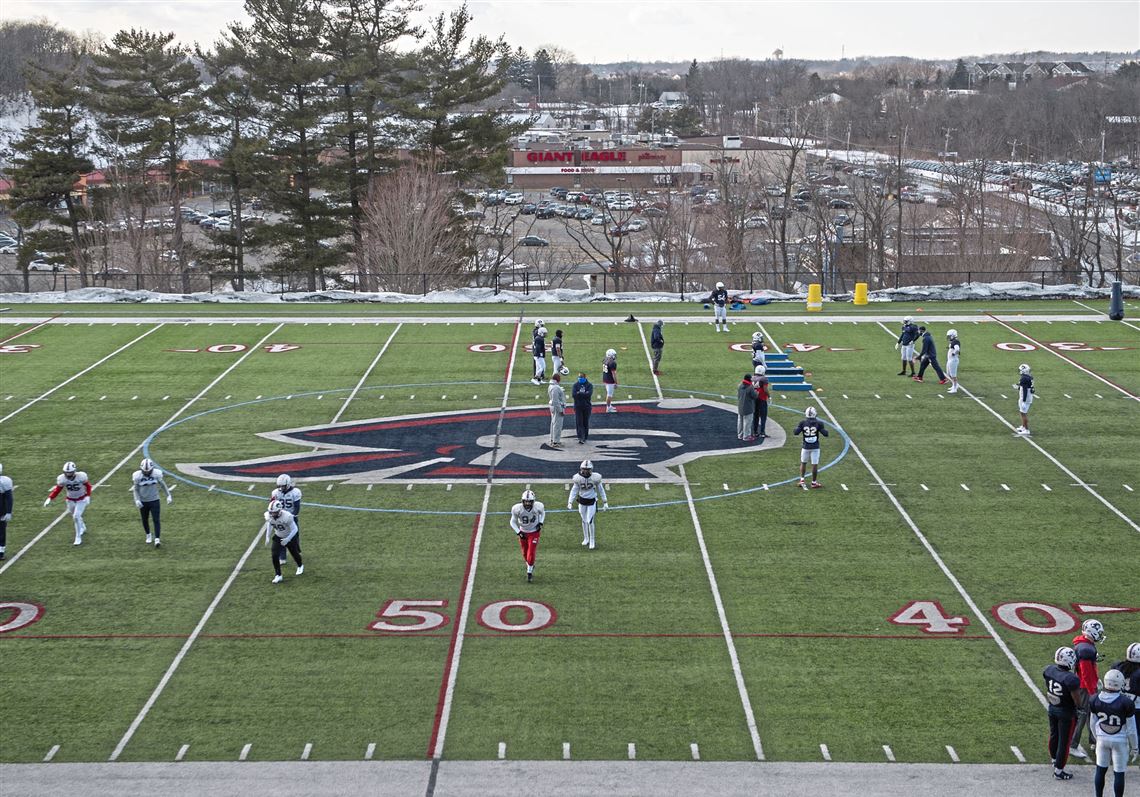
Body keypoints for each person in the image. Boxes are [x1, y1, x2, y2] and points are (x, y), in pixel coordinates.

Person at [1088, 670, 1136, 797]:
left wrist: (1098, 737)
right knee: (1119, 773)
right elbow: (1131, 729)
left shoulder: (1094, 699)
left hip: (1102, 740)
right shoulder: (1126, 702)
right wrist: (1135, 747)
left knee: (1100, 770)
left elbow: (1092, 724)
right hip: (1120, 740)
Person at [1043, 646, 1084, 781]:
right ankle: (1059, 771)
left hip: (1053, 707)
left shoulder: (1049, 670)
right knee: (1064, 742)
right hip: (1066, 712)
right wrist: (1080, 707)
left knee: (1054, 735)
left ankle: (1054, 760)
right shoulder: (1071, 678)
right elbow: (1076, 698)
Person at [1071, 618, 1107, 759]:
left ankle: (1093, 740)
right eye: (1099, 632)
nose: (1101, 635)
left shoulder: (1084, 644)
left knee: (1092, 714)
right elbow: (1085, 673)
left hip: (1084, 685)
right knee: (1082, 715)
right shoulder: (1086, 649)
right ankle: (1072, 745)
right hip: (1084, 687)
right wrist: (1092, 690)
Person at [44, 461, 92, 546]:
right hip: (70, 499)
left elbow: (88, 486)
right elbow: (57, 490)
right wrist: (50, 498)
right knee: (75, 516)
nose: (68, 474)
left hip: (81, 499)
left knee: (76, 516)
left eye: (70, 472)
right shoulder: (62, 478)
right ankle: (82, 527)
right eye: (66, 472)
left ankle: (78, 537)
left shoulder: (81, 476)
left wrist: (88, 496)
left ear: (74, 471)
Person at [131, 458, 173, 547]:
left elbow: (163, 485)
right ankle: (148, 534)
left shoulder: (156, 474)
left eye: (148, 471)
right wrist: (137, 500)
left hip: (154, 500)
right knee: (144, 519)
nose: (146, 473)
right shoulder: (137, 476)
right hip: (143, 501)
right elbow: (135, 489)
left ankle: (157, 539)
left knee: (156, 519)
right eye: (144, 471)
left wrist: (168, 495)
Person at [1109, 642, 1140, 765]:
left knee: (1121, 728)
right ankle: (1135, 749)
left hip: (1119, 702)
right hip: (1136, 705)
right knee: (1136, 729)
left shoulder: (1118, 666)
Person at [568, 459, 607, 550]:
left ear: (591, 469)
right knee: (584, 520)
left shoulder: (595, 478)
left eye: (587, 469)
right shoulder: (578, 478)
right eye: (584, 469)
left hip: (591, 501)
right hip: (582, 501)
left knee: (590, 520)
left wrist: (605, 501)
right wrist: (570, 502)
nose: (585, 471)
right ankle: (586, 538)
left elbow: (601, 490)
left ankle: (592, 540)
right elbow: (574, 490)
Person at [263, 499, 303, 584]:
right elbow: (270, 523)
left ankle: (300, 565)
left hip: (289, 536)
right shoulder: (269, 515)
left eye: (274, 512)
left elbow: (295, 529)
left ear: (279, 511)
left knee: (294, 553)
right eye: (271, 512)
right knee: (274, 555)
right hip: (278, 536)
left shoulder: (287, 516)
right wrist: (267, 536)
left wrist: (288, 539)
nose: (272, 514)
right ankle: (278, 575)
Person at [510, 489, 545, 582]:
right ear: (522, 501)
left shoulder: (538, 506)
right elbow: (512, 522)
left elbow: (543, 513)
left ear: (533, 501)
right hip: (523, 532)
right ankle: (530, 565)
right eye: (526, 501)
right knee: (525, 553)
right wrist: (519, 532)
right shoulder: (517, 508)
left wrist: (541, 522)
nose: (527, 503)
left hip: (534, 532)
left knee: (531, 552)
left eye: (529, 502)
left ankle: (529, 572)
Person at [793, 406, 829, 489]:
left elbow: (796, 432)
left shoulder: (803, 423)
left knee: (803, 462)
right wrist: (822, 429)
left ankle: (802, 480)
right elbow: (825, 434)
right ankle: (813, 482)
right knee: (814, 464)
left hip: (805, 446)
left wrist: (798, 428)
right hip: (815, 447)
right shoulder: (819, 423)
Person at [271, 474, 302, 566]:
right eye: (279, 486)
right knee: (281, 537)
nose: (281, 488)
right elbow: (272, 504)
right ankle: (282, 557)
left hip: (291, 517)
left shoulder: (295, 492)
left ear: (288, 484)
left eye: (283, 486)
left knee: (294, 536)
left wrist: (293, 516)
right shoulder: (275, 493)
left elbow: (297, 506)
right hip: (280, 517)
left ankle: (297, 551)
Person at [1014, 363, 1035, 436]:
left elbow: (1025, 390)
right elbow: (1027, 388)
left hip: (1025, 398)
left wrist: (1023, 401)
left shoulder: (1024, 378)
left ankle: (1026, 429)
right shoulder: (1029, 377)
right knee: (1022, 412)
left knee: (1023, 414)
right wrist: (1018, 387)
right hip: (1027, 397)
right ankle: (1023, 427)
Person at [572, 372, 593, 444]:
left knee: (585, 422)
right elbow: (574, 395)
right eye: (579, 377)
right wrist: (584, 394)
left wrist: (579, 393)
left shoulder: (589, 385)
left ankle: (585, 436)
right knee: (579, 422)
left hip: (587, 407)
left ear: (585, 377)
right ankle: (581, 437)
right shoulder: (575, 385)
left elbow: (589, 394)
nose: (580, 378)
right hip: (578, 407)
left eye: (581, 377)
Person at [751, 365, 770, 441]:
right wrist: (769, 396)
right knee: (763, 416)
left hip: (754, 399)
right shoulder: (764, 379)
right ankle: (762, 432)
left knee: (755, 416)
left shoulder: (752, 378)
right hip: (762, 399)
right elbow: (765, 389)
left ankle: (755, 432)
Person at [736, 373, 757, 442]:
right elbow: (754, 396)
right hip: (748, 407)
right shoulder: (750, 387)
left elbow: (738, 395)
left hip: (740, 406)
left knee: (740, 422)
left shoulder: (739, 385)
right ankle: (746, 436)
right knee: (747, 423)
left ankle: (740, 435)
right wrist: (756, 391)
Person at [547, 372, 566, 448]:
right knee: (557, 425)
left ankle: (553, 439)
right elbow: (556, 401)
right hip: (556, 407)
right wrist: (560, 410)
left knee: (553, 423)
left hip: (553, 406)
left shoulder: (551, 386)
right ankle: (556, 441)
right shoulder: (555, 388)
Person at [0, 463, 12, 560]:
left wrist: (8, 512)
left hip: (1, 509)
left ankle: (1, 551)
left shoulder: (4, 482)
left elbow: (9, 498)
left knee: (1, 530)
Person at [945, 329, 961, 394]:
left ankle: (955, 388)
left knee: (953, 375)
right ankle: (955, 385)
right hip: (950, 360)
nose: (948, 337)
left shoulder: (956, 341)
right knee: (948, 374)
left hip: (953, 360)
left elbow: (957, 349)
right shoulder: (953, 341)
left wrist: (953, 353)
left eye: (949, 336)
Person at [601, 348, 618, 413]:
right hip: (609, 380)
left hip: (605, 378)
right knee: (609, 394)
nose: (614, 356)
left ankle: (609, 405)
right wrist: (616, 382)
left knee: (609, 393)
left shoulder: (605, 359)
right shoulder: (612, 363)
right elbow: (614, 374)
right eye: (614, 355)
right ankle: (608, 408)